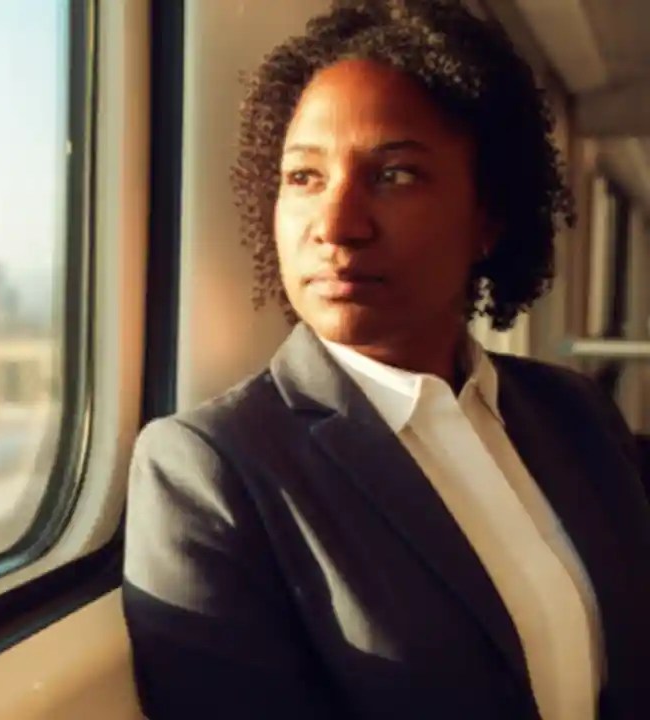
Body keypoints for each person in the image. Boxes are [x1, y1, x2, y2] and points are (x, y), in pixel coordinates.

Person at [121, 2, 650, 719]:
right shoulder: (213, 469)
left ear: (488, 216)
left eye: (394, 175)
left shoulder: (574, 410)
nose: (336, 226)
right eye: (304, 178)